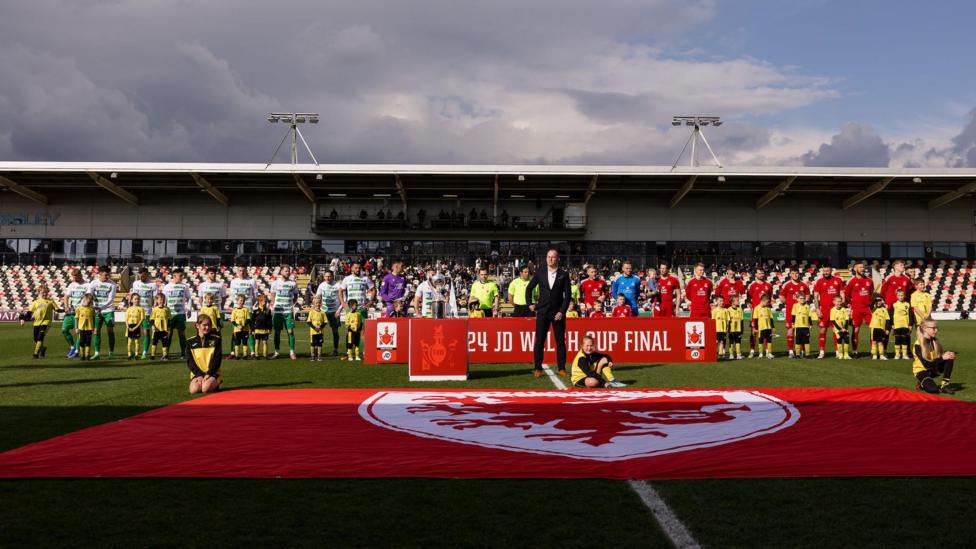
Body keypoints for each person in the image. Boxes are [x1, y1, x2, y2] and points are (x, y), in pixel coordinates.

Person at [525, 248, 571, 378]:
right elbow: (529, 289)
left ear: (558, 259)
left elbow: (567, 296)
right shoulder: (540, 272)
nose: (550, 259)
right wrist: (530, 303)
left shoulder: (564, 274)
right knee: (539, 341)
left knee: (560, 341)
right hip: (542, 312)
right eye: (548, 257)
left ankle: (562, 368)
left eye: (553, 257)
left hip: (558, 314)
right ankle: (538, 368)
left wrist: (562, 311)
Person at [912, 319, 957, 394]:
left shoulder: (934, 340)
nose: (936, 330)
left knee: (949, 357)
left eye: (936, 328)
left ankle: (944, 385)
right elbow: (926, 364)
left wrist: (947, 353)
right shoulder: (918, 344)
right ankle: (921, 383)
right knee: (933, 390)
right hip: (921, 370)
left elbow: (939, 355)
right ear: (925, 329)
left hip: (933, 367)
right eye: (933, 328)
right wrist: (942, 358)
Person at [879, 260, 913, 356]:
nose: (903, 267)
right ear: (895, 267)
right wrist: (885, 303)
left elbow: (911, 291)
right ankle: (884, 351)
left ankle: (906, 351)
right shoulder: (889, 278)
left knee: (905, 331)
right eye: (901, 265)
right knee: (887, 330)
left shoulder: (906, 279)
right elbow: (882, 292)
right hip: (890, 309)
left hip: (902, 310)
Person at [812, 264, 845, 359]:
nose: (825, 272)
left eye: (827, 271)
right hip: (824, 310)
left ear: (831, 271)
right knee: (823, 330)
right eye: (824, 271)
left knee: (836, 331)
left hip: (836, 310)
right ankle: (822, 351)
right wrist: (817, 309)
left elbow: (842, 293)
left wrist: (842, 304)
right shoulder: (819, 282)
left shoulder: (838, 280)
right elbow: (815, 296)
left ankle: (838, 351)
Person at [844, 260, 875, 357]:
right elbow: (847, 295)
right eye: (860, 267)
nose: (863, 269)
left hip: (867, 308)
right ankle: (855, 351)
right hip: (856, 309)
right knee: (856, 329)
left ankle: (873, 351)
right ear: (855, 269)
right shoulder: (852, 281)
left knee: (873, 329)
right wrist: (852, 304)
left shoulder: (869, 281)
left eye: (863, 267)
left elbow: (871, 293)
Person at [187, 315, 222, 394]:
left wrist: (209, 374)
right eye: (204, 325)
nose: (207, 327)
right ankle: (204, 383)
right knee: (193, 390)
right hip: (197, 373)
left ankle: (216, 382)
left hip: (212, 373)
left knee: (205, 389)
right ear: (197, 325)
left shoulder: (216, 339)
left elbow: (217, 360)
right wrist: (198, 375)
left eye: (209, 325)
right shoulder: (190, 342)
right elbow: (190, 362)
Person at [779, 266, 809, 359]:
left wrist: (803, 302)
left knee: (803, 332)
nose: (795, 275)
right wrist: (788, 303)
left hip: (802, 313)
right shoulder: (786, 285)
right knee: (790, 332)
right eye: (793, 273)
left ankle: (803, 351)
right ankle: (791, 351)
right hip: (790, 312)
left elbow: (808, 295)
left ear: (799, 274)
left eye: (796, 273)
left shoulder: (803, 285)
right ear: (790, 274)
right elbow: (781, 297)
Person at [270, 264, 299, 360]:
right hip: (278, 312)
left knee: (290, 332)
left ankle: (292, 352)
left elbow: (295, 296)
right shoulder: (275, 283)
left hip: (288, 312)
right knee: (277, 332)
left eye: (289, 271)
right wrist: (273, 306)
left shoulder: (293, 283)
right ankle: (277, 351)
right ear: (281, 271)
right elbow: (273, 296)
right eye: (286, 271)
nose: (288, 272)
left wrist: (291, 305)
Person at [229, 264, 258, 358]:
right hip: (237, 311)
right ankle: (233, 353)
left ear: (246, 271)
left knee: (250, 332)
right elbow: (233, 296)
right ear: (237, 271)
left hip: (248, 310)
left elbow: (255, 296)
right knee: (235, 332)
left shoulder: (252, 281)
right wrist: (237, 306)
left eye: (243, 270)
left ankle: (252, 352)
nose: (242, 272)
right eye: (240, 270)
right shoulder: (233, 282)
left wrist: (249, 305)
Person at [89, 265, 118, 360]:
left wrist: (100, 307)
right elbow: (89, 295)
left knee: (110, 330)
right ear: (100, 274)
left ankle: (111, 352)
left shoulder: (112, 284)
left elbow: (110, 299)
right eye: (106, 275)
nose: (107, 276)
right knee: (96, 331)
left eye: (108, 275)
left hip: (108, 310)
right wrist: (93, 306)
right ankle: (97, 353)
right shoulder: (93, 283)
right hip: (97, 311)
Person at [162, 268, 193, 359]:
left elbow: (189, 298)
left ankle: (183, 354)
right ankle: (166, 354)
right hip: (170, 313)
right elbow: (163, 300)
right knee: (168, 333)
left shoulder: (185, 286)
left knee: (181, 334)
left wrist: (189, 309)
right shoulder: (167, 286)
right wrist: (164, 312)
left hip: (181, 313)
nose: (182, 277)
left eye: (182, 275)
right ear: (174, 276)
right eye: (180, 276)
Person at [60, 268, 90, 358]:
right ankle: (72, 347)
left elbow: (89, 297)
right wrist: (66, 306)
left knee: (80, 332)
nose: (74, 279)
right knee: (64, 330)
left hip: (81, 312)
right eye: (73, 277)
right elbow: (66, 297)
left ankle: (77, 351)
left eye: (75, 277)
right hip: (71, 312)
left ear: (80, 275)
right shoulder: (71, 285)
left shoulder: (87, 285)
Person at [129, 267, 157, 360]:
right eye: (141, 275)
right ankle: (132, 352)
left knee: (146, 332)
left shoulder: (153, 285)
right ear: (139, 275)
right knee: (132, 333)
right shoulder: (135, 283)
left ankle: (144, 352)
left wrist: (154, 310)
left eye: (144, 275)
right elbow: (133, 297)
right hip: (135, 313)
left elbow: (155, 299)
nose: (143, 276)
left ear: (147, 275)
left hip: (147, 312)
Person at [23, 284, 56, 359]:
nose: (44, 294)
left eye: (46, 292)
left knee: (40, 336)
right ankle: (42, 349)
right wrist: (23, 319)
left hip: (46, 322)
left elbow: (57, 309)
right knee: (35, 338)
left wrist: (65, 310)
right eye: (42, 292)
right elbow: (29, 312)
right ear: (39, 293)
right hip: (36, 322)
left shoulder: (50, 301)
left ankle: (36, 353)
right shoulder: (35, 302)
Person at [316, 269, 343, 356]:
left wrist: (339, 309)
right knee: (319, 330)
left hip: (334, 311)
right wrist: (316, 308)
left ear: (333, 276)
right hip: (323, 312)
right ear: (324, 277)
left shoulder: (338, 285)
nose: (328, 278)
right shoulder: (321, 285)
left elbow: (343, 299)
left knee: (335, 331)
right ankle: (318, 349)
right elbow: (318, 297)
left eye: (329, 276)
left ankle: (335, 350)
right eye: (326, 276)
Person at [746, 268, 773, 358]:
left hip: (765, 313)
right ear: (756, 274)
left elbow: (770, 298)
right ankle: (752, 350)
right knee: (753, 332)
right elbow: (748, 299)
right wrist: (752, 310)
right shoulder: (752, 286)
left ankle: (767, 351)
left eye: (762, 273)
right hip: (756, 313)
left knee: (766, 332)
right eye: (759, 273)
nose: (761, 274)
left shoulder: (768, 286)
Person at [829, 295, 852, 360]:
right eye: (838, 301)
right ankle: (840, 354)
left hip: (845, 328)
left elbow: (847, 320)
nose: (839, 303)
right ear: (834, 302)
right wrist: (840, 329)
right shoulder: (832, 310)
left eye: (840, 301)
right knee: (839, 341)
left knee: (847, 340)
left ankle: (846, 354)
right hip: (837, 330)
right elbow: (833, 321)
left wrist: (845, 328)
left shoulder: (844, 310)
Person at [149, 293, 171, 360]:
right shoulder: (154, 309)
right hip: (156, 329)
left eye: (163, 299)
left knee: (164, 342)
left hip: (164, 329)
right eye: (160, 299)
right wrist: (153, 326)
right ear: (157, 300)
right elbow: (152, 319)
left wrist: (169, 328)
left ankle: (165, 355)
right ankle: (152, 355)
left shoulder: (167, 309)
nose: (162, 301)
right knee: (154, 342)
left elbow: (169, 319)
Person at [791, 292, 812, 359]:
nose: (802, 299)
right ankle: (797, 354)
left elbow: (809, 316)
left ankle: (807, 354)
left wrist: (810, 324)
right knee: (798, 341)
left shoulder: (807, 306)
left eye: (803, 298)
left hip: (806, 326)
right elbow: (793, 315)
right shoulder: (795, 305)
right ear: (797, 299)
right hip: (798, 326)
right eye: (801, 298)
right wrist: (793, 323)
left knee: (806, 341)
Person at [891, 290, 912, 360]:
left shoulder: (908, 304)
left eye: (902, 295)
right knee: (897, 339)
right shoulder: (894, 304)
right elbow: (891, 315)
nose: (901, 297)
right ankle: (897, 354)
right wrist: (892, 324)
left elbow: (911, 315)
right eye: (899, 295)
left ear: (904, 296)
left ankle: (904, 354)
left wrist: (910, 324)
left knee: (904, 339)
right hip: (897, 325)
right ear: (896, 296)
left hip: (905, 324)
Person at [230, 294, 251, 360]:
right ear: (237, 301)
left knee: (245, 342)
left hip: (245, 329)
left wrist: (243, 326)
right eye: (240, 300)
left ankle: (245, 355)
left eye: (243, 300)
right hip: (237, 330)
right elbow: (232, 320)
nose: (241, 302)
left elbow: (248, 319)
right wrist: (238, 326)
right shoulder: (234, 310)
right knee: (237, 342)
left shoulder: (246, 309)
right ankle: (237, 355)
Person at [124, 294, 145, 360]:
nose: (137, 300)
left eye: (138, 299)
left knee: (137, 342)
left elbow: (141, 319)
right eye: (135, 299)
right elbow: (126, 319)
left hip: (137, 326)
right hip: (130, 326)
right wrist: (128, 327)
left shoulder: (141, 309)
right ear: (132, 300)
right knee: (129, 342)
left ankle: (136, 355)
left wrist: (136, 327)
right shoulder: (129, 309)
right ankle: (129, 355)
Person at [753, 294, 774, 359]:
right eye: (767, 302)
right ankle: (761, 353)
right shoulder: (756, 308)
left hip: (768, 327)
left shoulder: (768, 308)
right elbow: (755, 319)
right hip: (761, 328)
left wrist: (773, 327)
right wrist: (756, 328)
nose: (768, 303)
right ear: (762, 301)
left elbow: (771, 318)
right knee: (761, 340)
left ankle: (769, 353)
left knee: (769, 340)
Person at [76, 294, 96, 361]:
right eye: (88, 300)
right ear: (85, 299)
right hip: (81, 328)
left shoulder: (92, 308)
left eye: (91, 300)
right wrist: (76, 327)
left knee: (88, 342)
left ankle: (87, 355)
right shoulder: (79, 308)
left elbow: (93, 318)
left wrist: (94, 328)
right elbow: (76, 318)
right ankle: (82, 355)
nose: (89, 301)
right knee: (81, 342)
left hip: (89, 328)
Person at [252, 294, 272, 359]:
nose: (265, 302)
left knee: (265, 342)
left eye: (266, 301)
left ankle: (265, 355)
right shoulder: (255, 311)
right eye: (264, 301)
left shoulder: (268, 311)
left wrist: (270, 329)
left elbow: (269, 321)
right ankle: (256, 355)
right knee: (257, 342)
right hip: (257, 329)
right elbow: (252, 321)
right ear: (260, 301)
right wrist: (252, 329)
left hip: (265, 330)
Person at [308, 295, 326, 361]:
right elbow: (309, 322)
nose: (318, 304)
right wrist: (314, 328)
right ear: (314, 304)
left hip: (320, 332)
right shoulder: (311, 312)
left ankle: (319, 356)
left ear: (321, 304)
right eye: (316, 303)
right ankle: (312, 356)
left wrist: (320, 328)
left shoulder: (322, 313)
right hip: (313, 332)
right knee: (312, 344)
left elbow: (325, 322)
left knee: (320, 344)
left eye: (319, 303)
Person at [727, 295, 744, 360]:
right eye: (737, 300)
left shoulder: (740, 309)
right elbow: (728, 321)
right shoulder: (728, 310)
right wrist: (728, 329)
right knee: (731, 342)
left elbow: (742, 320)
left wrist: (742, 330)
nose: (738, 301)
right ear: (732, 302)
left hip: (738, 329)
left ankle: (738, 354)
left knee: (738, 341)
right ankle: (731, 354)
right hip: (731, 329)